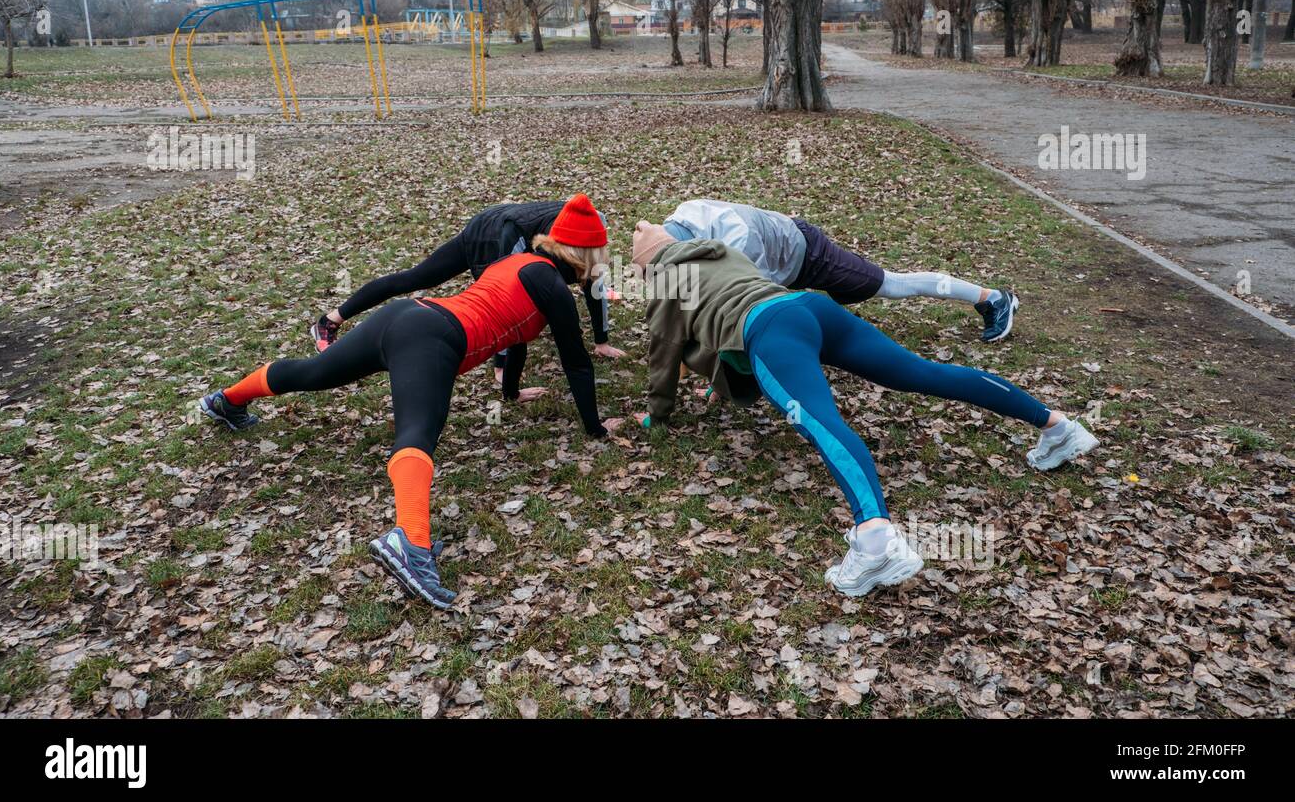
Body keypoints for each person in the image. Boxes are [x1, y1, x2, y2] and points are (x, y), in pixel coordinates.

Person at [631, 221, 1098, 598]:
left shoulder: (666, 281)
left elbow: (664, 356)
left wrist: (658, 415)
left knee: (821, 423)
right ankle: (1058, 426)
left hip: (769, 332)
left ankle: (875, 541)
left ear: (649, 267)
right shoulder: (717, 250)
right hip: (809, 308)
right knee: (923, 372)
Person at [201, 197, 623, 609]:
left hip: (406, 315)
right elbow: (577, 363)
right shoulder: (553, 288)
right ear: (584, 255)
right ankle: (410, 542)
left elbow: (513, 332)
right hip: (433, 338)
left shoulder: (513, 263)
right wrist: (596, 427)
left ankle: (226, 400)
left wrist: (510, 393)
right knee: (418, 433)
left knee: (312, 372)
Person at [310, 197, 626, 380]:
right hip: (492, 232)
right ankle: (330, 320)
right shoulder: (541, 240)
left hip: (496, 219)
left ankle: (331, 319)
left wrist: (601, 341)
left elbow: (594, 284)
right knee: (418, 278)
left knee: (418, 278)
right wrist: (502, 368)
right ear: (574, 244)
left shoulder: (588, 239)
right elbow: (504, 306)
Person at [659, 199, 1019, 342]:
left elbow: (762, 300)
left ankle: (993, 298)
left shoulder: (738, 239)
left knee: (890, 285)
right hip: (786, 257)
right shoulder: (680, 221)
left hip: (810, 255)